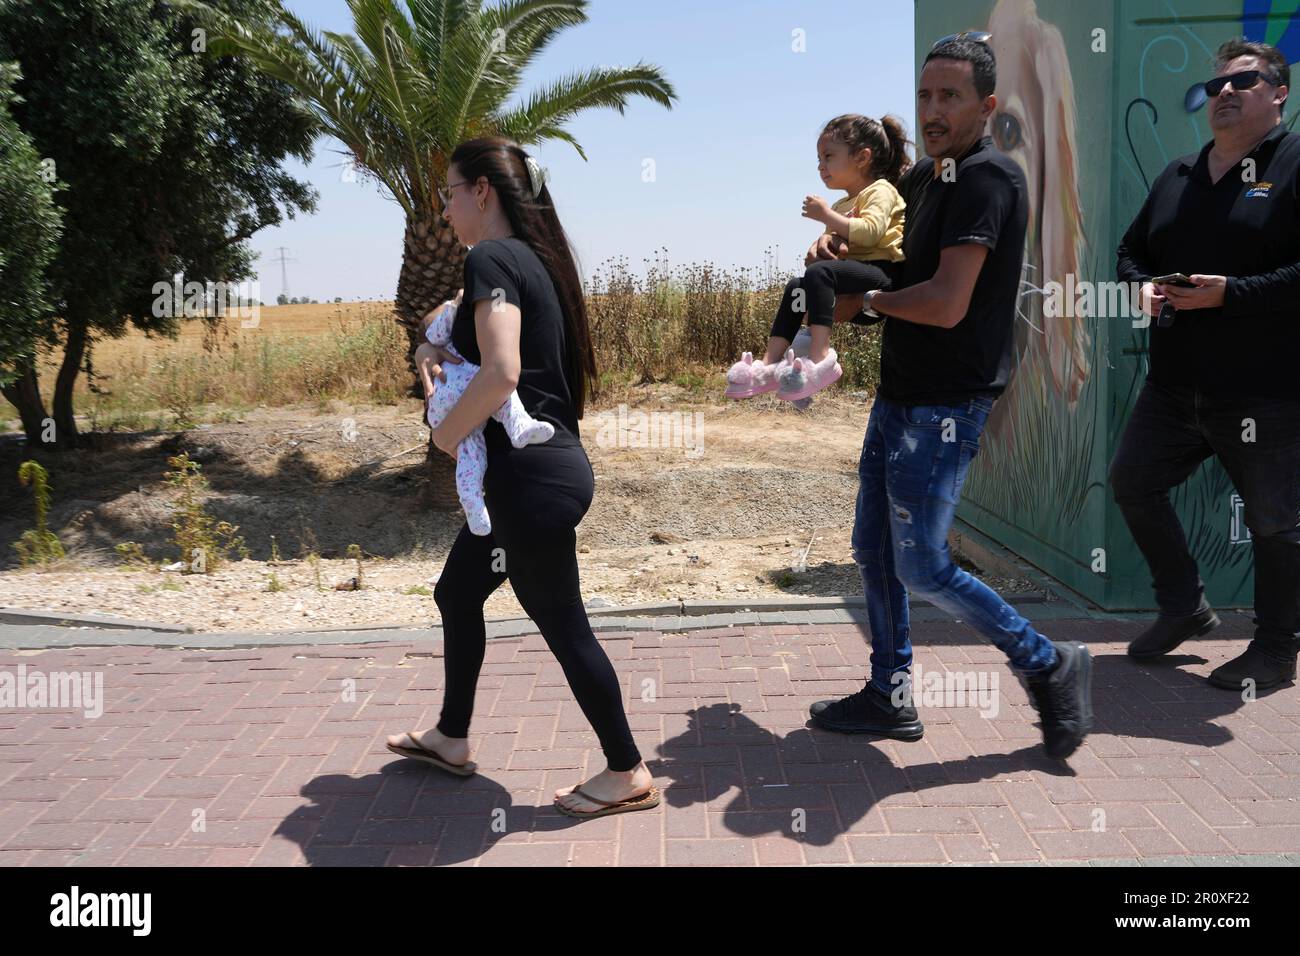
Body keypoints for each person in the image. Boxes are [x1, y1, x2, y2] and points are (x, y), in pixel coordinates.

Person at [813, 33, 1093, 759]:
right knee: (873, 550)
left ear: (986, 106)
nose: (934, 109)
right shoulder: (921, 181)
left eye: (951, 97)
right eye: (926, 95)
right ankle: (891, 694)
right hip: (901, 394)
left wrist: (869, 301)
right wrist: (838, 266)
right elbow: (885, 274)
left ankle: (1049, 662)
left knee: (922, 564)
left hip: (947, 406)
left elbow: (942, 303)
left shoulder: (987, 180)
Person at [385, 137, 659, 818]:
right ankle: (451, 736)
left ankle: (626, 769)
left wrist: (443, 435)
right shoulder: (532, 263)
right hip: (540, 473)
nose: (444, 209)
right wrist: (427, 344)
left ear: (483, 191)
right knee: (457, 592)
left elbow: (503, 371)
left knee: (564, 625)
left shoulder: (492, 257)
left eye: (449, 192)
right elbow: (451, 329)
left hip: (527, 482)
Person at [1112, 37, 1300, 691]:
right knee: (1133, 482)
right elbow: (1129, 250)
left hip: (1265, 388)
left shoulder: (1295, 164)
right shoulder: (1179, 174)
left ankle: (1276, 651)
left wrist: (1231, 294)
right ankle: (1184, 607)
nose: (1224, 92)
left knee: (1276, 522)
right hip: (1174, 384)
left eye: (1243, 82)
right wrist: (1139, 284)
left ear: (1279, 92)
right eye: (1216, 85)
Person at [724, 114, 909, 403]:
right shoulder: (841, 204)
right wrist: (828, 242)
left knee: (821, 274)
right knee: (797, 285)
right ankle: (769, 364)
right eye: (819, 159)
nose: (821, 166)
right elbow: (837, 249)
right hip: (851, 276)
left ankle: (819, 358)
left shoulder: (880, 191)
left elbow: (871, 233)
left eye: (828, 156)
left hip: (880, 274)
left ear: (862, 157)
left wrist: (826, 216)